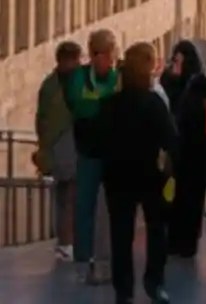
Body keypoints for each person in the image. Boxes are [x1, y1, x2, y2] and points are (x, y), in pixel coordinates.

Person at [98, 43, 176, 304]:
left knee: (121, 234)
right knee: (157, 230)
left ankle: (124, 289)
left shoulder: (110, 105)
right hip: (150, 176)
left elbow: (99, 140)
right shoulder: (154, 103)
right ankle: (154, 282)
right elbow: (170, 139)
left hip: (117, 176)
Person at [64, 29, 121, 283]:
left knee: (111, 207)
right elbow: (80, 106)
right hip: (88, 151)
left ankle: (108, 258)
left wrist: (97, 106)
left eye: (109, 54)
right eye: (103, 54)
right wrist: (102, 105)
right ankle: (83, 257)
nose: (107, 60)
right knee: (84, 205)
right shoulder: (79, 78)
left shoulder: (117, 78)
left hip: (111, 152)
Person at [168, 41, 206, 259]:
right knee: (175, 198)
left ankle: (187, 243)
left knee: (192, 199)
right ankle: (174, 241)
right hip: (178, 151)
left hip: (198, 150)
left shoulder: (202, 85)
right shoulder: (171, 83)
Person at [36, 41, 82, 262]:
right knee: (69, 195)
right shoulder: (69, 84)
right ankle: (67, 242)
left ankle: (65, 242)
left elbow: (41, 121)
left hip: (61, 146)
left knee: (64, 197)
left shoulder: (50, 85)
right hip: (66, 145)